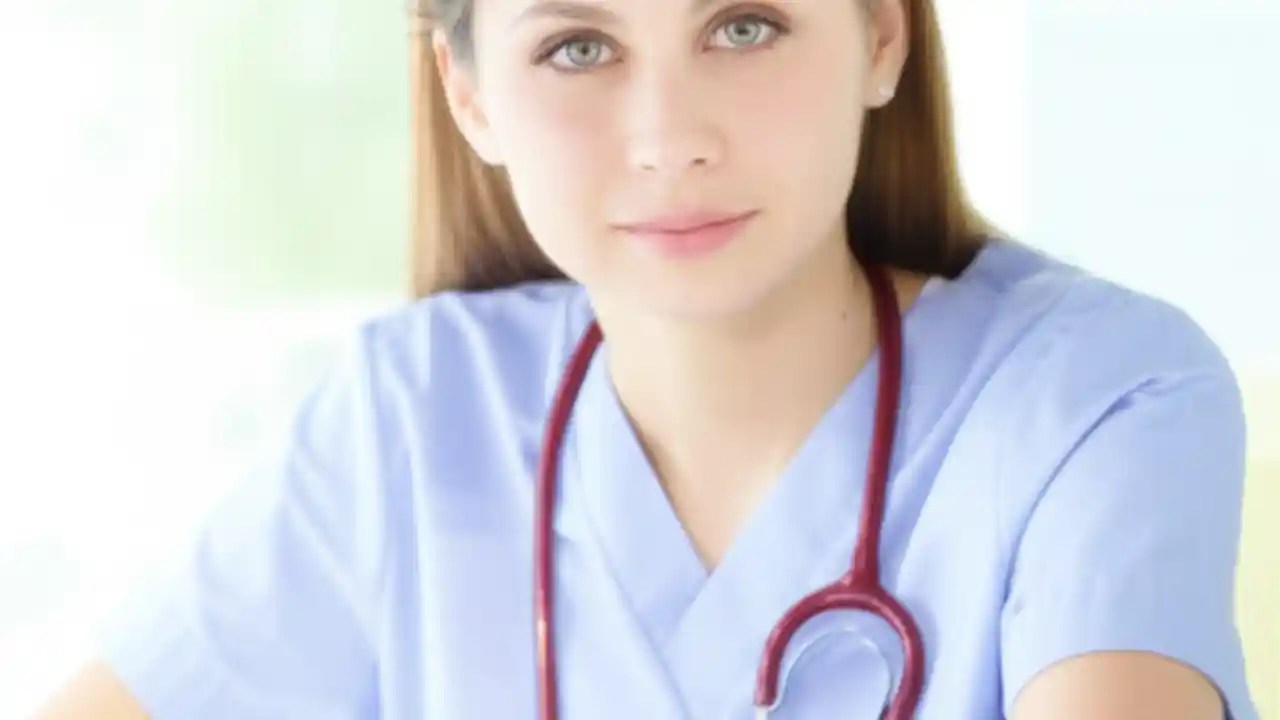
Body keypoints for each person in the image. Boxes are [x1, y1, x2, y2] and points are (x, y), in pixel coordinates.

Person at [36, 0, 1258, 717]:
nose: (668, 140)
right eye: (578, 46)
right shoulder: (408, 417)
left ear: (881, 36)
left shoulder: (1097, 399)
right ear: (469, 98)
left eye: (742, 24)